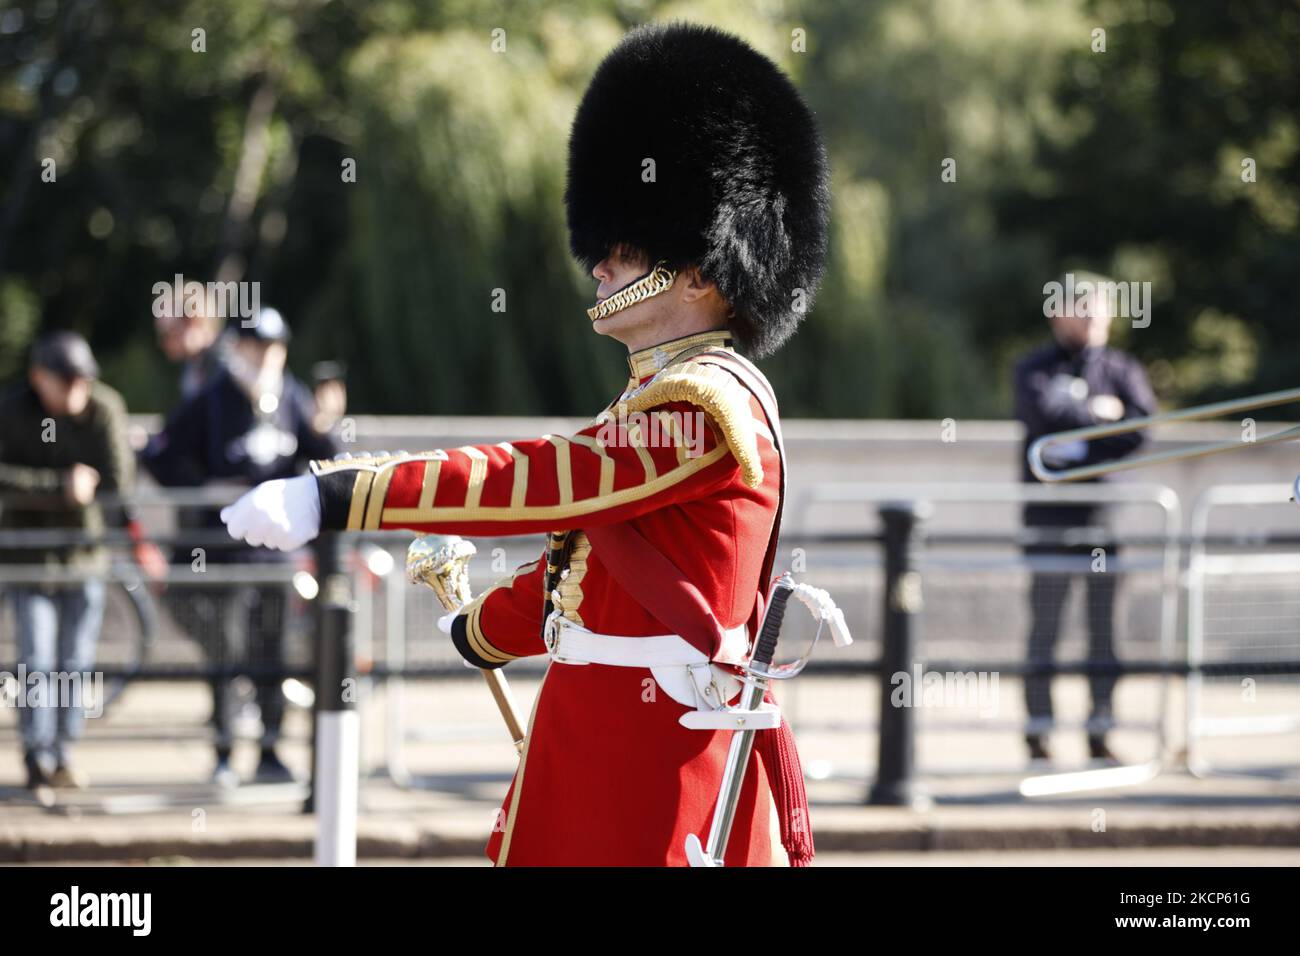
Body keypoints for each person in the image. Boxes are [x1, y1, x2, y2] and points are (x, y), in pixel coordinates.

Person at [221, 23, 830, 866]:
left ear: (700, 272)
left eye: (624, 251)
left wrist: (341, 495)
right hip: (597, 740)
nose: (599, 268)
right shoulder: (653, 396)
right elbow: (590, 566)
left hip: (655, 761)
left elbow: (547, 481)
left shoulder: (708, 406)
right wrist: (487, 628)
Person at [142, 308, 340, 786]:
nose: (265, 357)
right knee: (226, 657)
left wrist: (325, 424)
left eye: (273, 348)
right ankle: (226, 751)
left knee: (272, 653)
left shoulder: (290, 396)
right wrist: (208, 487)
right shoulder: (213, 398)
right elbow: (159, 453)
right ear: (240, 348)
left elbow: (328, 464)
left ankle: (270, 753)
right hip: (223, 552)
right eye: (256, 347)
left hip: (274, 555)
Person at [1013, 273, 1158, 764]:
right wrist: (1101, 417)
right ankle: (1038, 732)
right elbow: (1042, 416)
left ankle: (1100, 731)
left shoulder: (1121, 369)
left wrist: (1082, 421)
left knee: (1104, 631)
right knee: (1045, 629)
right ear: (1059, 314)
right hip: (1051, 520)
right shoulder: (1034, 366)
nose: (1093, 319)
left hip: (1104, 522)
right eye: (1083, 309)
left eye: (1100, 310)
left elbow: (1140, 429)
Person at [0, 332, 134, 790]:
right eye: (66, 381)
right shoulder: (13, 411)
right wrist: (59, 488)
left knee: (74, 661)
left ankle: (63, 751)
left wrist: (84, 487)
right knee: (36, 659)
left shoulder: (104, 409)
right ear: (39, 378)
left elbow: (120, 480)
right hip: (29, 559)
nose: (76, 392)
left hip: (85, 558)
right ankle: (37, 755)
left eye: (82, 382)